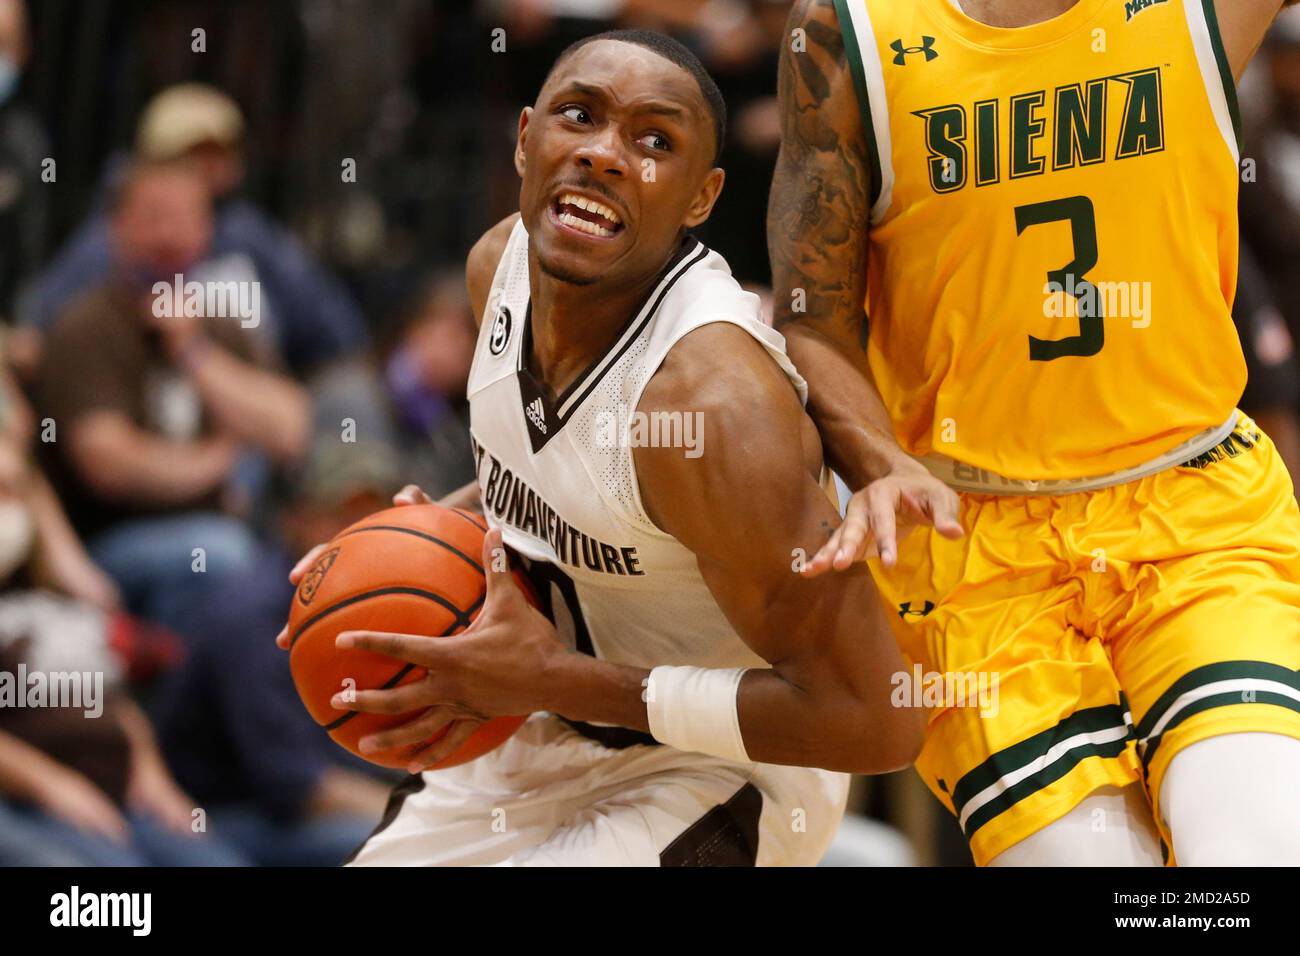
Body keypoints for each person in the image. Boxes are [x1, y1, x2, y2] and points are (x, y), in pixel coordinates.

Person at [279, 29, 922, 867]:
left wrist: (555, 680)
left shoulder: (714, 411)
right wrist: (425, 533)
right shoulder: (496, 270)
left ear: (701, 197)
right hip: (534, 721)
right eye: (579, 116)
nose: (604, 154)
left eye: (654, 141)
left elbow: (876, 721)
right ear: (525, 139)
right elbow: (571, 472)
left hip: (713, 765)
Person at [769, 0, 1300, 866]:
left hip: (1194, 510)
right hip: (973, 548)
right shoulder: (849, 28)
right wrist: (879, 458)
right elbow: (810, 319)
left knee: (1252, 857)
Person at [34, 161, 310, 640]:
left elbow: (290, 428)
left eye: (185, 218)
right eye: (153, 216)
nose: (169, 234)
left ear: (206, 231)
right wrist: (218, 461)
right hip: (107, 547)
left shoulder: (218, 325)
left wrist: (193, 353)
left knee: (293, 564)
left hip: (230, 534)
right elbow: (108, 465)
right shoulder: (84, 328)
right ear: (116, 228)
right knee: (221, 555)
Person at [153, 440, 397, 867]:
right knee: (391, 846)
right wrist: (425, 816)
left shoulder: (376, 599)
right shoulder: (252, 621)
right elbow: (299, 787)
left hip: (331, 785)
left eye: (373, 518)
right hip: (223, 815)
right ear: (294, 520)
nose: (359, 532)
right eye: (340, 515)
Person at [21, 84, 367, 376]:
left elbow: (332, 327)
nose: (209, 169)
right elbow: (38, 326)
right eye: (193, 154)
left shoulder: (249, 233)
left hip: (247, 398)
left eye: (221, 153)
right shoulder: (109, 240)